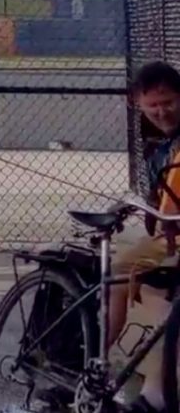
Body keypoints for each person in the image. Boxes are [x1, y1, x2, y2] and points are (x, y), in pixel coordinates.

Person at [106, 61, 180, 397]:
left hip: (172, 235)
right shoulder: (154, 136)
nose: (161, 111)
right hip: (167, 233)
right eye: (153, 105)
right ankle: (97, 359)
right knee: (122, 272)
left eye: (168, 102)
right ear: (138, 103)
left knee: (129, 276)